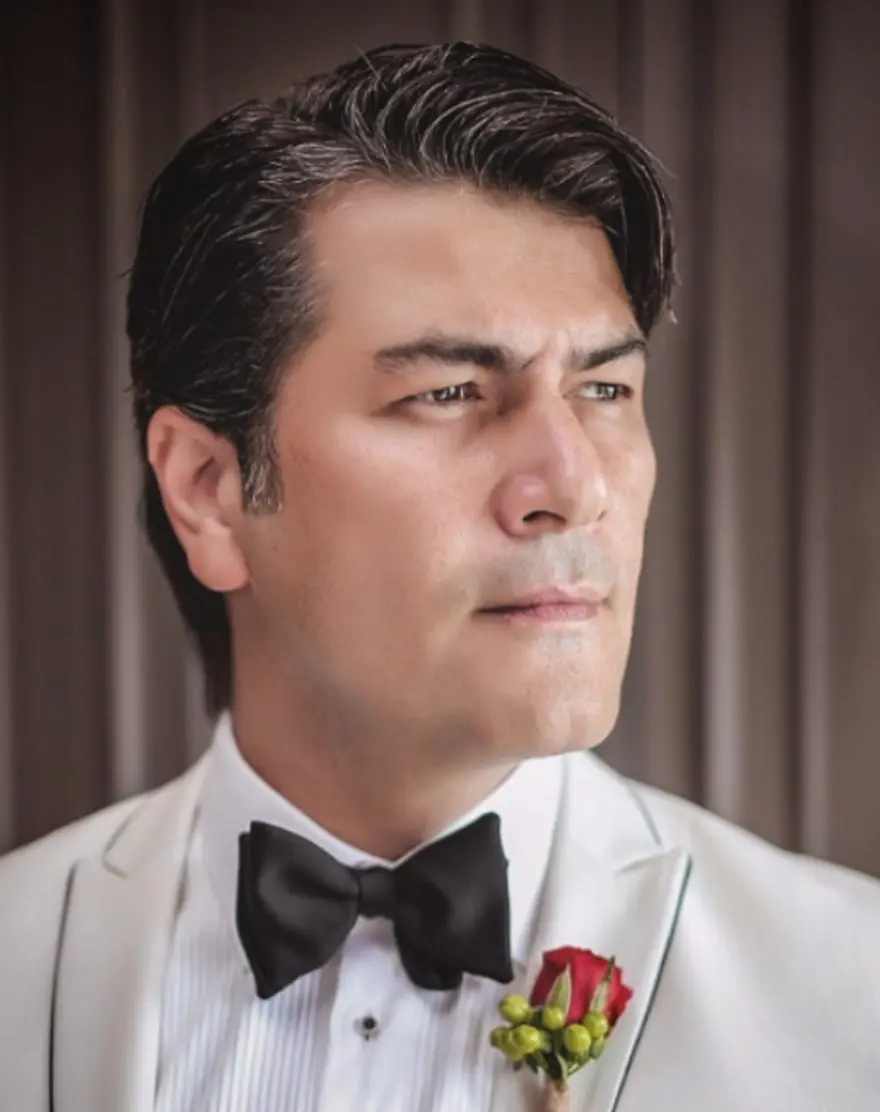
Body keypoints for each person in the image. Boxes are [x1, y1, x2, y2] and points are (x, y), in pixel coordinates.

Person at [0, 41, 877, 1112]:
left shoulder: (852, 995)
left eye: (604, 390)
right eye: (451, 393)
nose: (573, 487)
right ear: (210, 491)